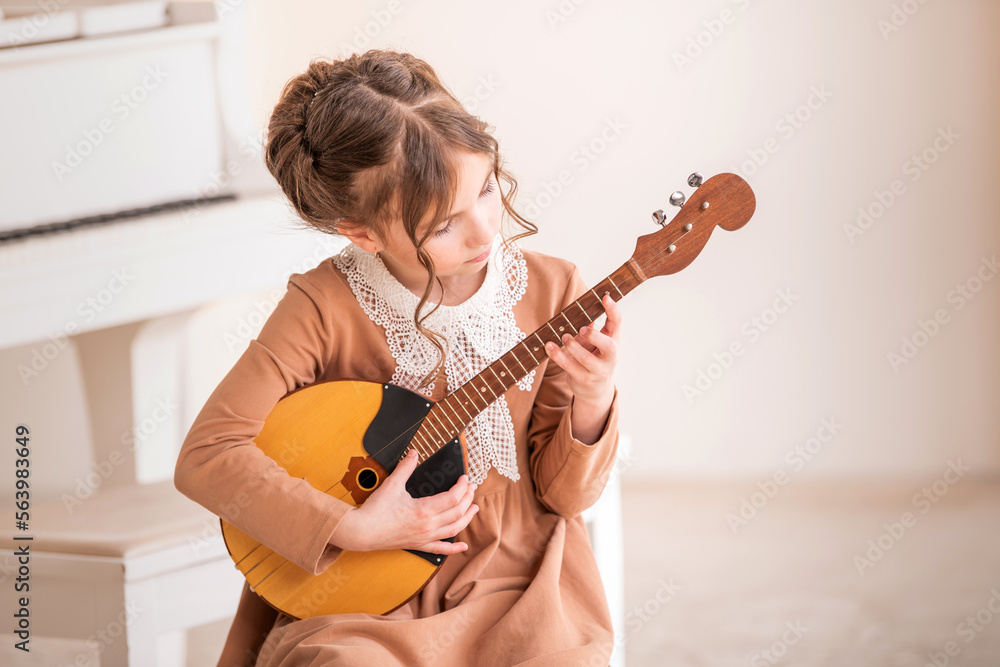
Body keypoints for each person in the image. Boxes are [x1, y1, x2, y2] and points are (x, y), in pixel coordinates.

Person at [173, 49, 623, 667]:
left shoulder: (551, 290)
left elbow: (566, 499)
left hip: (514, 584)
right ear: (361, 232)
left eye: (488, 189)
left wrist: (593, 401)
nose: (485, 233)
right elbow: (207, 456)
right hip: (361, 594)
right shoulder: (324, 305)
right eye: (443, 225)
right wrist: (353, 528)